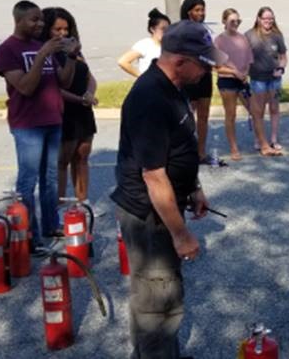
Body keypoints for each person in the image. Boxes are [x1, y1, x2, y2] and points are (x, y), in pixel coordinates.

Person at [110, 20, 226, 358]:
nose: (208, 69)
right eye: (204, 63)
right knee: (158, 302)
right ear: (180, 61)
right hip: (149, 215)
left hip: (164, 205)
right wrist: (180, 234)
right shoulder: (149, 98)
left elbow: (180, 146)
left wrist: (194, 188)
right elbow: (154, 176)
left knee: (158, 296)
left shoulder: (174, 87)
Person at [0, 0, 77, 252]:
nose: (39, 24)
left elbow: (63, 81)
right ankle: (26, 235)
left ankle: (50, 226)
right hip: (28, 123)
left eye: (41, 19)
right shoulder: (7, 50)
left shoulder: (41, 45)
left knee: (50, 179)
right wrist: (42, 56)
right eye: (34, 20)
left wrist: (71, 57)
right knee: (28, 181)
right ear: (18, 20)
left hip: (53, 118)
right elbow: (26, 87)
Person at [42, 7, 97, 203]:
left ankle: (83, 202)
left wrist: (90, 93)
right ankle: (61, 203)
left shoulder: (75, 50)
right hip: (64, 110)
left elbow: (90, 76)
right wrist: (80, 99)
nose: (63, 34)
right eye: (57, 29)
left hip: (84, 109)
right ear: (47, 29)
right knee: (62, 160)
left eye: (66, 29)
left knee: (82, 156)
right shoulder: (47, 54)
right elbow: (56, 87)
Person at [246, 6, 287, 156]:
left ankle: (273, 139)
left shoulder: (277, 35)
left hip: (274, 79)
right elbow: (244, 56)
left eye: (271, 19)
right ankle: (259, 139)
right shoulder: (250, 36)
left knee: (274, 109)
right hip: (258, 79)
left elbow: (283, 57)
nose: (268, 21)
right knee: (259, 111)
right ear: (258, 19)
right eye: (265, 18)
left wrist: (281, 69)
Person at [213, 8, 253, 160]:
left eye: (238, 21)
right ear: (224, 22)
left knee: (254, 109)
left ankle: (260, 141)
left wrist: (245, 73)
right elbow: (217, 66)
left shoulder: (243, 38)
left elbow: (249, 60)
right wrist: (234, 72)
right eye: (232, 21)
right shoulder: (218, 40)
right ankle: (233, 147)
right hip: (227, 80)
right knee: (231, 114)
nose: (235, 24)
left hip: (242, 80)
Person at [179, 0, 213, 163]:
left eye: (203, 9)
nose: (201, 13)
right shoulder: (182, 29)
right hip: (190, 77)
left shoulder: (205, 30)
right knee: (188, 115)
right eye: (197, 10)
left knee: (204, 116)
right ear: (188, 11)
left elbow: (211, 51)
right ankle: (186, 151)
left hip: (205, 76)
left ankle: (201, 152)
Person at [117, 8, 170, 78]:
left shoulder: (169, 45)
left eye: (168, 28)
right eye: (163, 28)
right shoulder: (145, 45)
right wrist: (142, 77)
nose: (166, 31)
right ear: (152, 29)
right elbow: (123, 61)